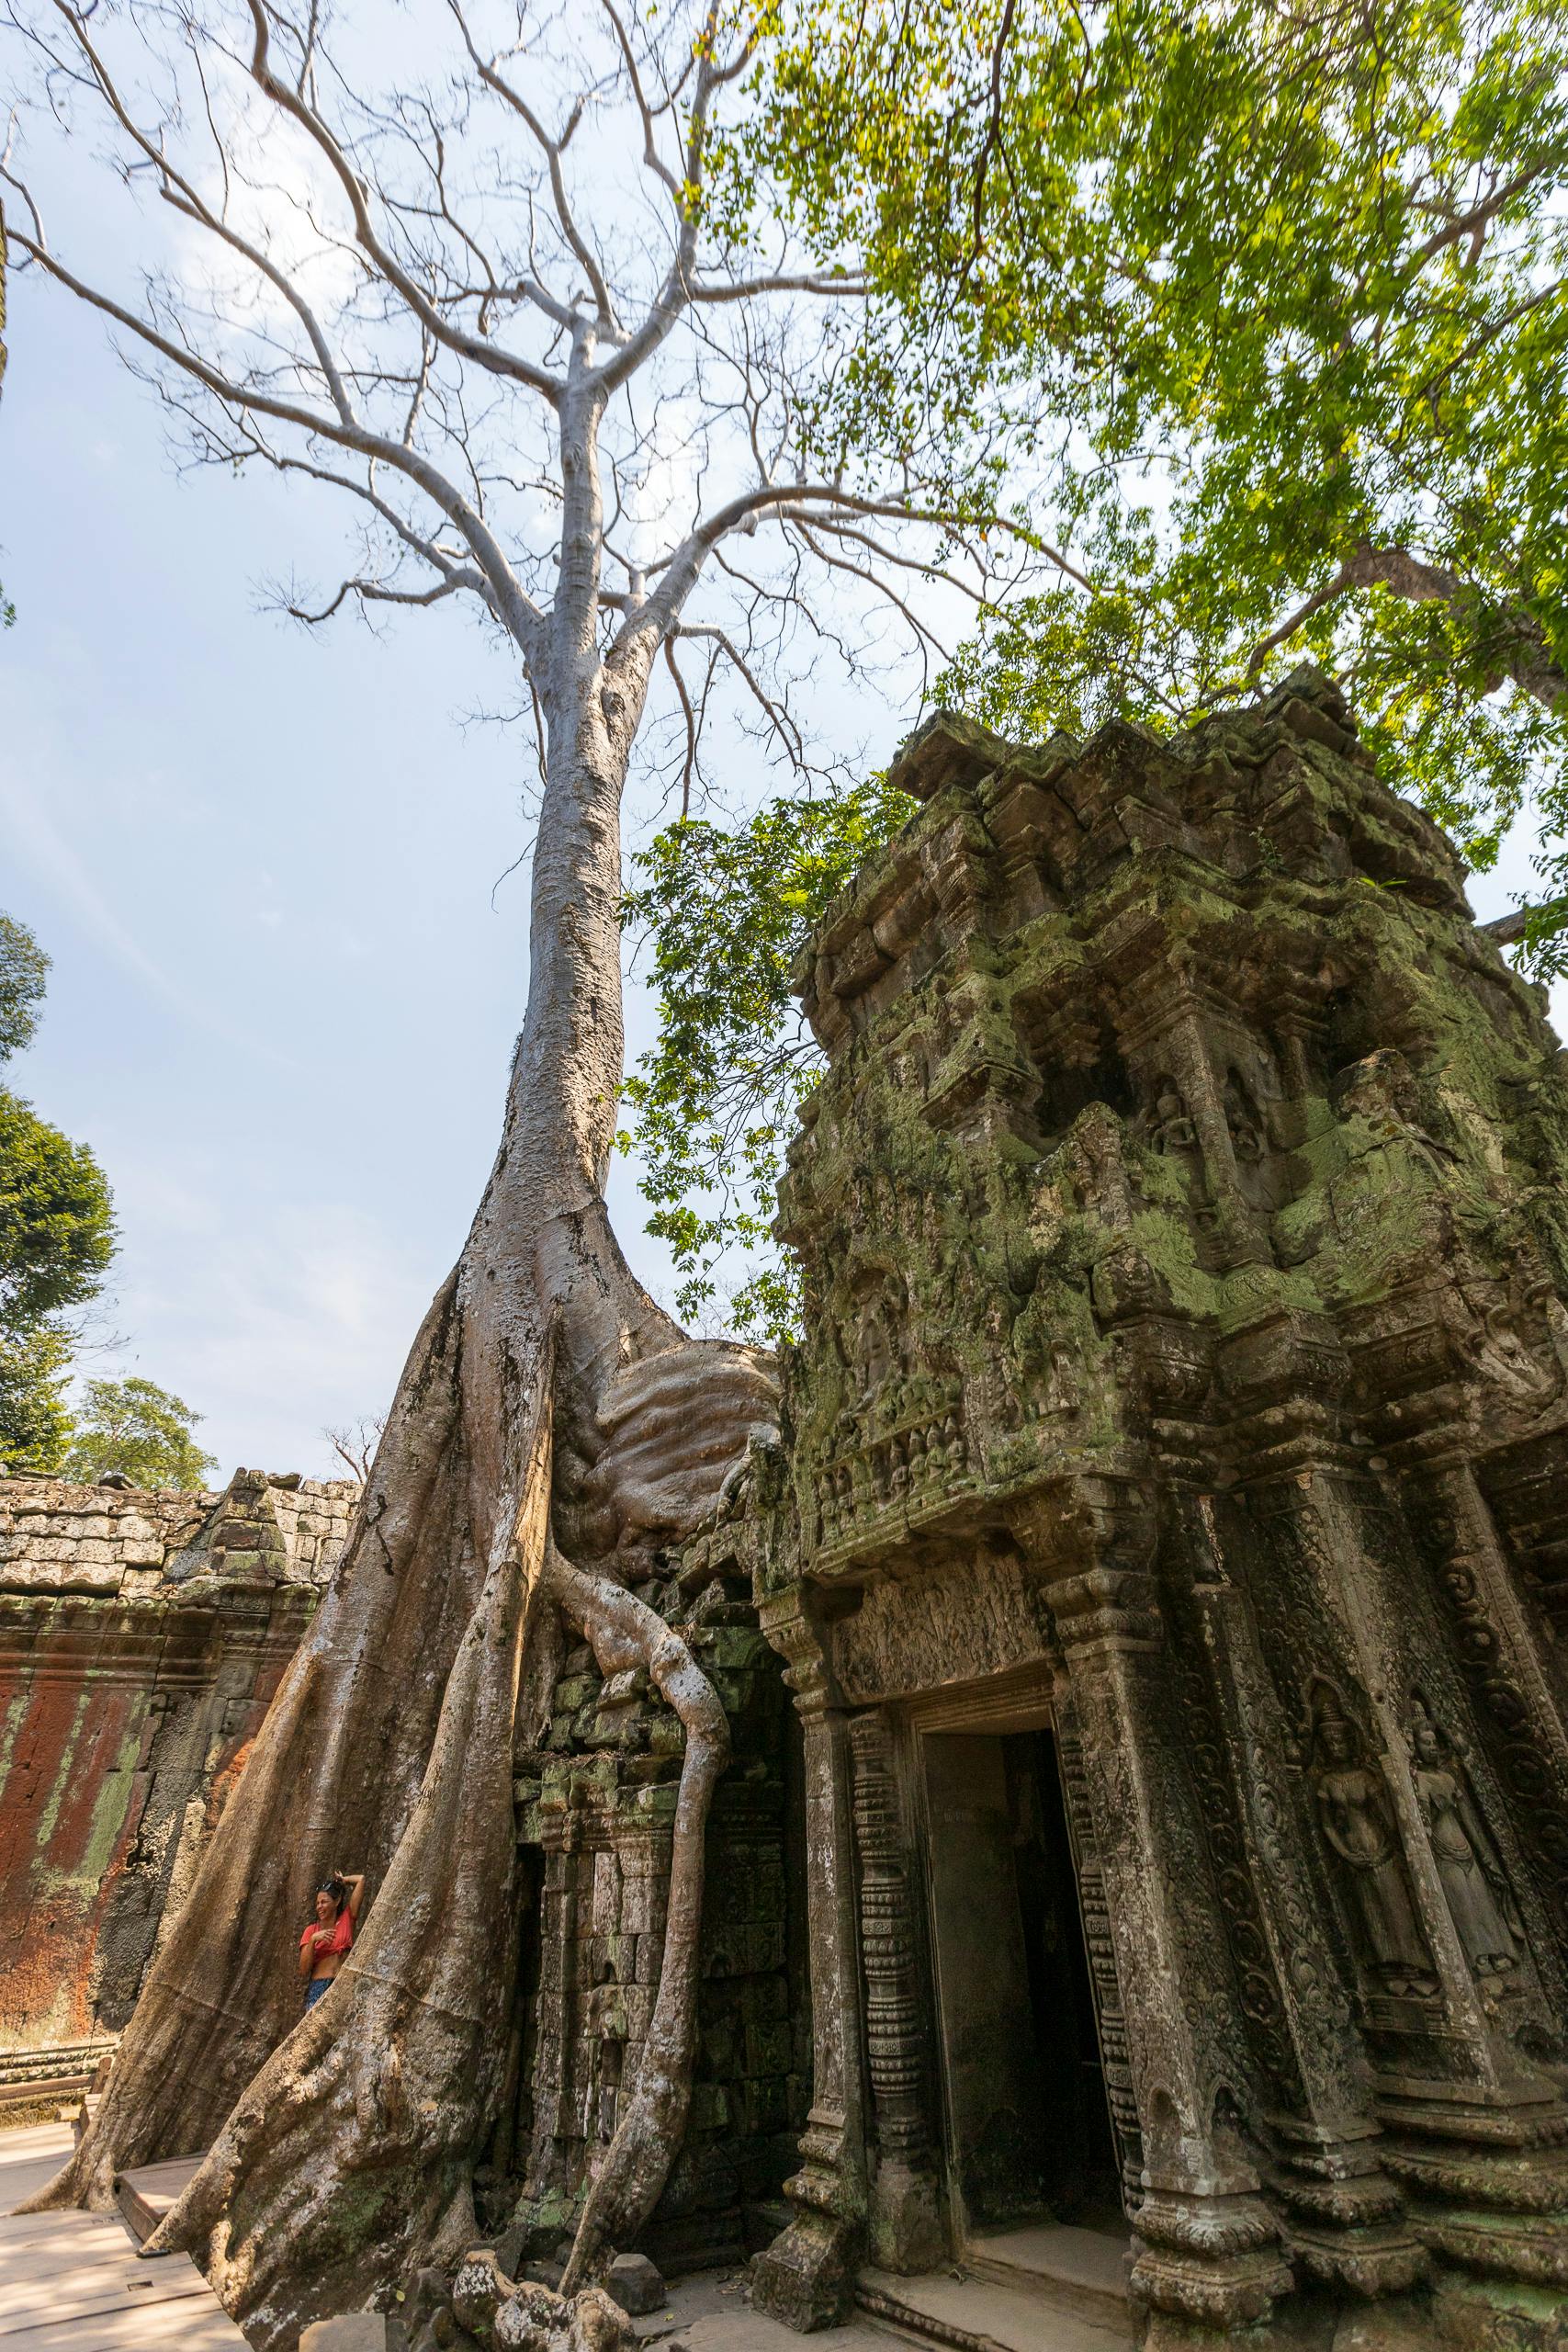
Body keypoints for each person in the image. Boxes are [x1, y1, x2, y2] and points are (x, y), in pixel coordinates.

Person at [299, 1869, 365, 2009]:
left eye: (324, 1902)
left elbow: (361, 1880)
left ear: (337, 1901)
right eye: (317, 1903)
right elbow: (304, 1969)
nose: (319, 1907)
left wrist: (344, 1880)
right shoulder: (311, 1931)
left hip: (342, 1984)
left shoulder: (347, 1918)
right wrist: (313, 1940)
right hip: (320, 1986)